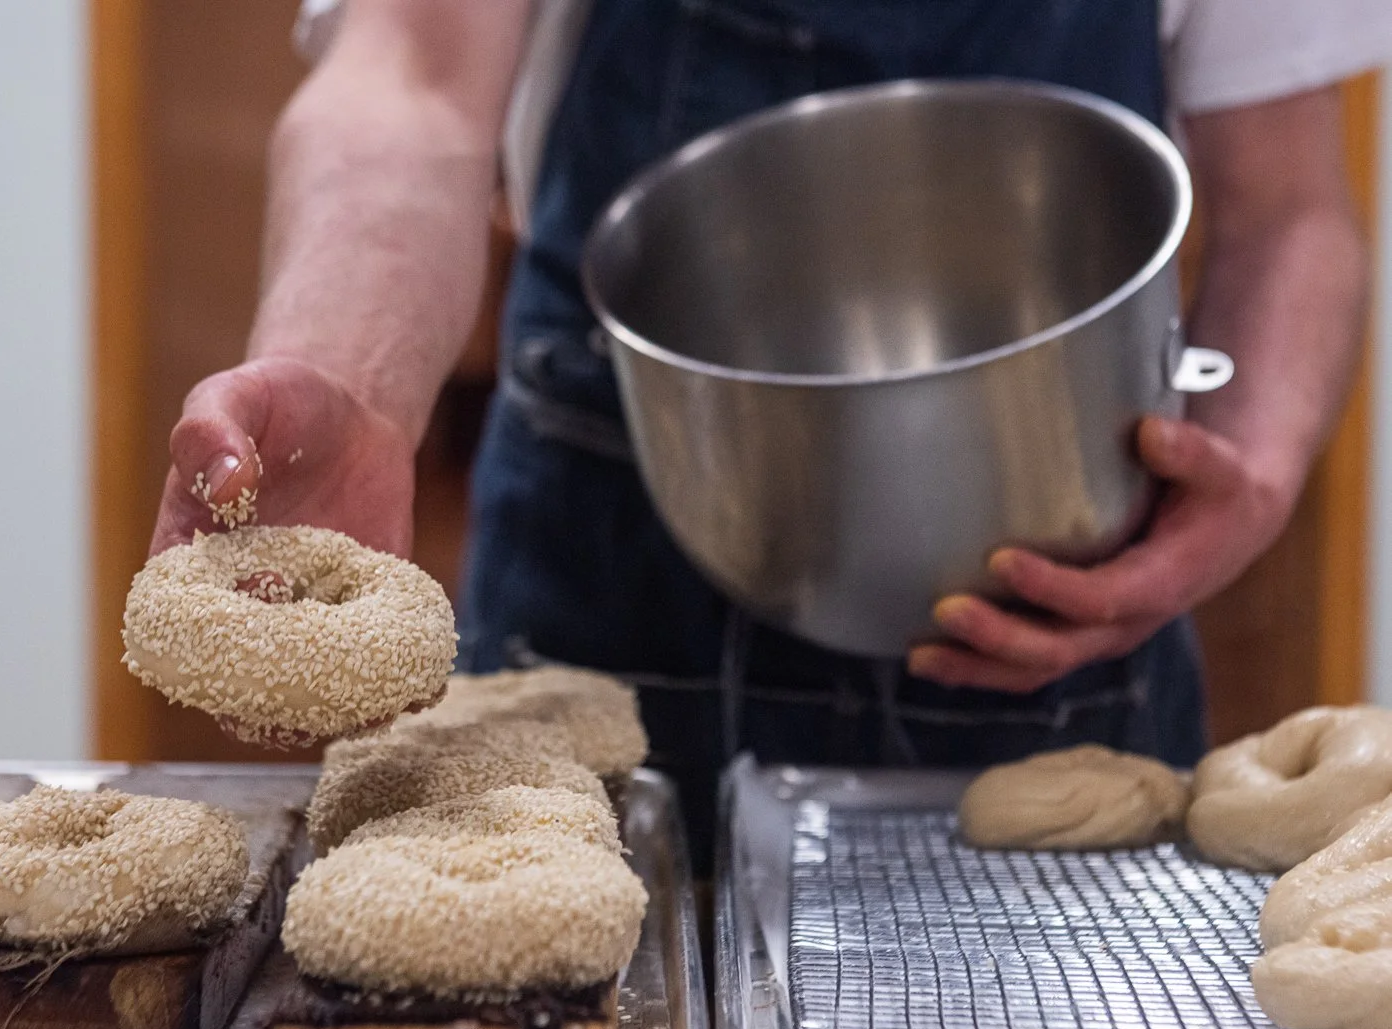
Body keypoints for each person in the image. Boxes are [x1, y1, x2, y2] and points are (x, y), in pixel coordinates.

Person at [150, 0, 1380, 854]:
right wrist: (343, 381)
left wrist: (1253, 467)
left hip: (1051, 610)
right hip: (605, 562)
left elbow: (1288, 212)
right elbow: (411, 77)